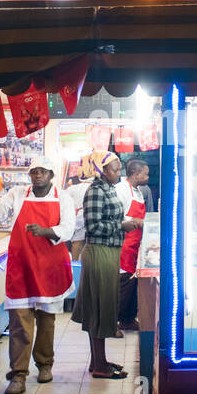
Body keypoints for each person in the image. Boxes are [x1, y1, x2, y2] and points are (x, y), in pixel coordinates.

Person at [0, 157, 74, 394]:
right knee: (19, 323)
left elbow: (68, 228)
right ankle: (18, 375)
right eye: (34, 172)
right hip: (22, 267)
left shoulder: (62, 197)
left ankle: (45, 364)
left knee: (46, 321)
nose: (38, 176)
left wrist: (45, 231)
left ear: (51, 175)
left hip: (50, 267)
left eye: (42, 172)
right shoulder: (17, 194)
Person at [72, 151, 136, 379]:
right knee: (99, 309)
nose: (119, 173)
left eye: (119, 169)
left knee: (101, 307)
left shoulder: (108, 189)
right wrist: (122, 226)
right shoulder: (95, 191)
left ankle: (98, 360)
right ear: (102, 170)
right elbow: (94, 226)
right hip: (99, 253)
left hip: (109, 252)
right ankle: (99, 366)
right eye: (115, 169)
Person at [117, 158, 150, 332]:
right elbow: (115, 216)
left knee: (132, 285)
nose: (147, 176)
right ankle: (114, 322)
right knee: (122, 285)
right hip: (124, 244)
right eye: (145, 173)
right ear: (136, 174)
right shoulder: (122, 190)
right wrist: (135, 221)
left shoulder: (138, 191)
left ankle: (128, 319)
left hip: (136, 244)